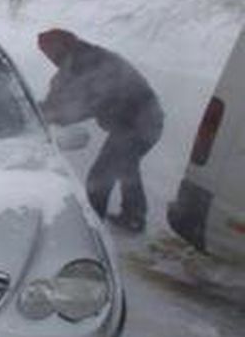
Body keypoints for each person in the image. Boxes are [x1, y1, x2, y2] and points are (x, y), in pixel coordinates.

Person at [38, 28, 164, 232]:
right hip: (138, 122)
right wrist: (42, 110)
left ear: (62, 47)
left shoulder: (90, 63)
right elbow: (61, 96)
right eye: (45, 54)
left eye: (50, 52)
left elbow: (86, 103)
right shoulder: (79, 60)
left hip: (139, 124)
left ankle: (92, 228)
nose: (49, 57)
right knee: (126, 168)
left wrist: (52, 116)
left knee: (99, 178)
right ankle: (134, 218)